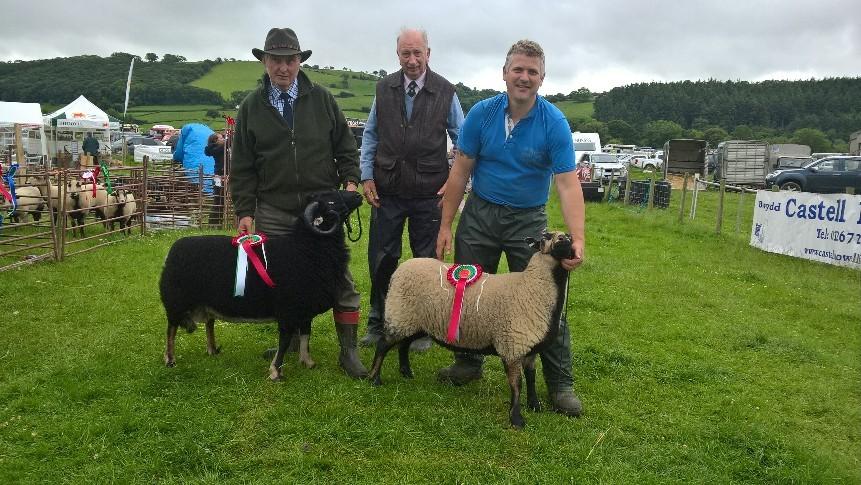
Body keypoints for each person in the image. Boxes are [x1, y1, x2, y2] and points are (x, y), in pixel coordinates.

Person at [435, 39, 586, 416]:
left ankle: (560, 383)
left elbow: (568, 184)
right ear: (504, 73)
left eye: (532, 72)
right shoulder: (481, 114)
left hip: (529, 221)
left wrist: (578, 238)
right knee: (468, 292)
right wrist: (446, 225)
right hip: (480, 215)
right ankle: (468, 363)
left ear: (542, 78)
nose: (524, 77)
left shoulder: (554, 123)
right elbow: (460, 171)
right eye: (517, 69)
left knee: (544, 302)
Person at [230, 27, 367, 378]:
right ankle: (287, 341)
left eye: (290, 60)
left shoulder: (322, 99)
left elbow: (346, 147)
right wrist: (245, 210)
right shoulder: (250, 108)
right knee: (277, 280)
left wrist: (351, 180)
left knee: (340, 280)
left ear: (299, 61)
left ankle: (348, 350)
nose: (283, 68)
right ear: (264, 62)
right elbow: (243, 167)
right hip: (274, 209)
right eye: (275, 60)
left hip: (321, 212)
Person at [358, 28, 464, 350]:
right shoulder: (383, 89)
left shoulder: (446, 92)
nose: (413, 60)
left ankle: (422, 329)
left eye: (418, 53)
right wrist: (366, 175)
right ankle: (379, 321)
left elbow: (464, 140)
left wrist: (454, 179)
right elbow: (371, 135)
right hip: (386, 190)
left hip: (430, 193)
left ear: (428, 54)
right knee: (382, 258)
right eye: (406, 53)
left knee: (427, 262)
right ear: (398, 54)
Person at [204, 132, 226, 227]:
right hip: (219, 177)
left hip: (222, 176)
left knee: (221, 201)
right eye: (221, 138)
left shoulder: (220, 147)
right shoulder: (216, 148)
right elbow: (222, 146)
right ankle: (213, 224)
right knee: (218, 201)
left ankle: (217, 224)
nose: (224, 139)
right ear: (215, 141)